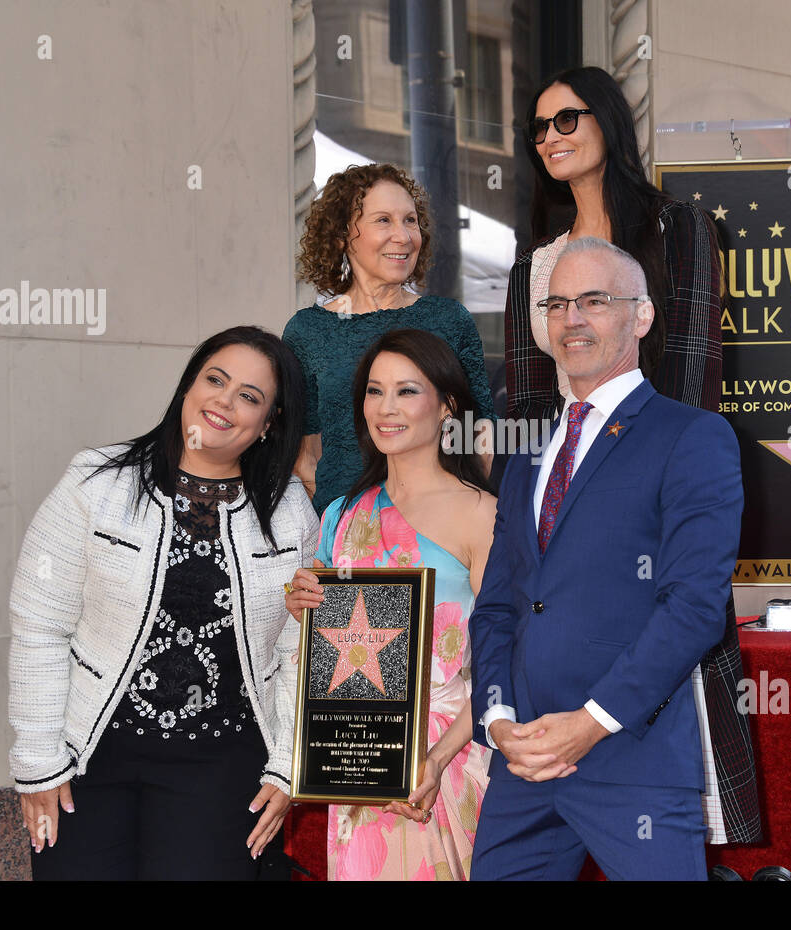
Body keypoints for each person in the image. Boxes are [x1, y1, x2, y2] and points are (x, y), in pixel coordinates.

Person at [469, 238, 758, 881]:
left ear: (642, 317)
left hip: (634, 760)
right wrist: (496, 718)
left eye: (594, 301)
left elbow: (694, 605)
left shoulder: (692, 437)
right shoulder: (526, 448)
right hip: (524, 768)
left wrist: (592, 722)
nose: (572, 319)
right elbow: (498, 605)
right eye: (558, 303)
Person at [9, 326, 320, 879]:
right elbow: (39, 625)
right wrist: (37, 763)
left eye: (249, 396)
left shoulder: (291, 509)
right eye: (215, 380)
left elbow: (302, 647)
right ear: (188, 386)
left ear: (270, 423)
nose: (224, 400)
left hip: (224, 772)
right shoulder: (97, 482)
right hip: (89, 763)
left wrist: (287, 766)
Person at [284, 329, 496, 880]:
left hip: (453, 759)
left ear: (447, 405)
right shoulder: (342, 514)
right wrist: (302, 607)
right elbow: (323, 661)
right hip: (359, 763)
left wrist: (436, 758)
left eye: (406, 391)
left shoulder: (485, 515)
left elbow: (508, 659)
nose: (386, 408)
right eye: (375, 392)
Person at [504, 65, 726, 424]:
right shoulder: (534, 263)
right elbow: (528, 406)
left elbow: (692, 376)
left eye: (566, 119)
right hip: (566, 460)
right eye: (541, 128)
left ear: (608, 122)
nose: (550, 138)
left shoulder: (676, 227)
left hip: (656, 457)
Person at [285, 162, 496, 515]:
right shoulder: (307, 331)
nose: (403, 236)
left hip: (437, 527)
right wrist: (337, 523)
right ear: (341, 234)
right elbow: (304, 456)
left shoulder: (448, 320)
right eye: (383, 220)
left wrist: (457, 513)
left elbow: (480, 431)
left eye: (410, 220)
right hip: (344, 535)